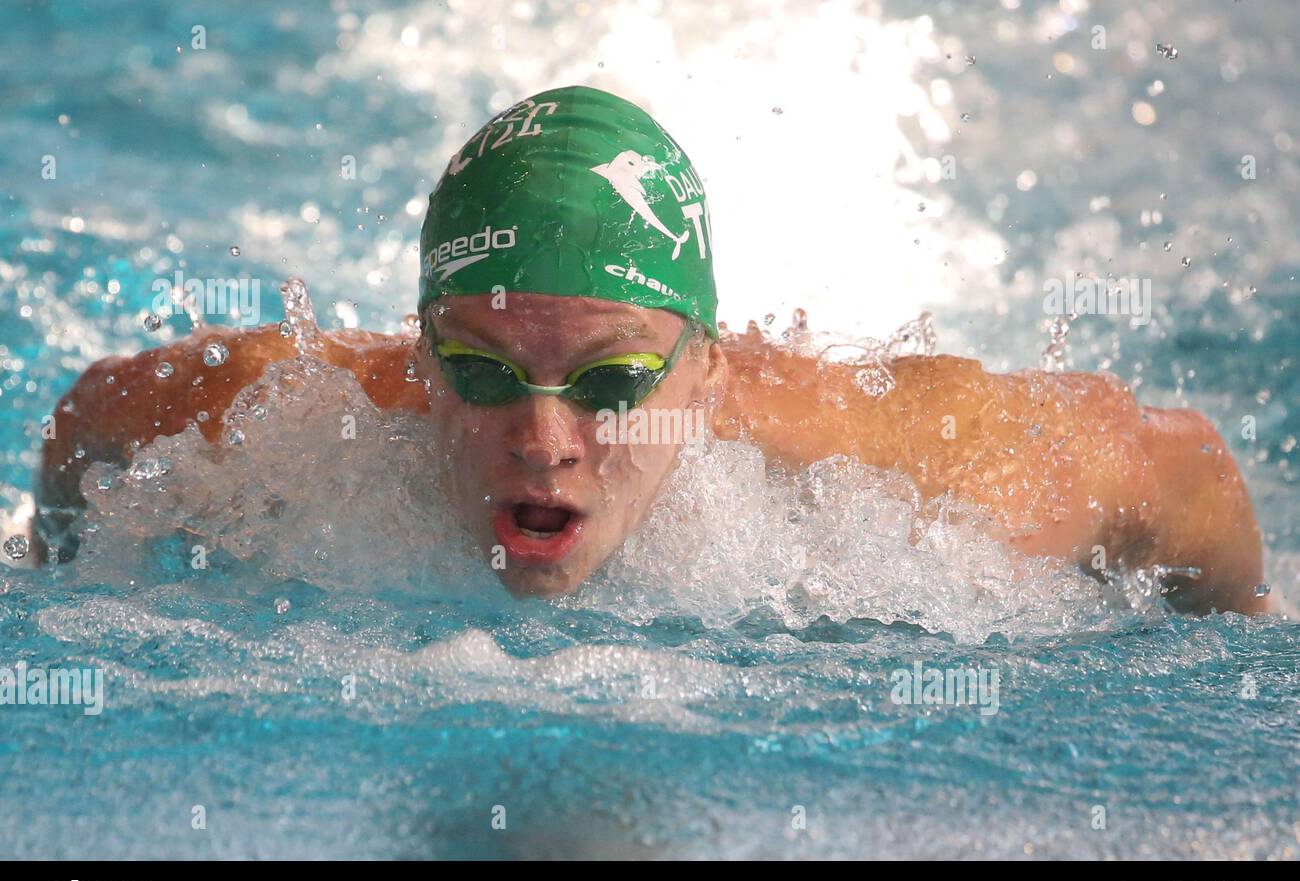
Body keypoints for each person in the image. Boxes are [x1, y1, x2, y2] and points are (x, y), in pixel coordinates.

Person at [34, 85, 1277, 614]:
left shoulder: (910, 484)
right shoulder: (269, 414)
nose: (541, 436)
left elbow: (1181, 468)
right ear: (416, 362)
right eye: (479, 368)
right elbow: (92, 416)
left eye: (615, 383)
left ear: (709, 371)